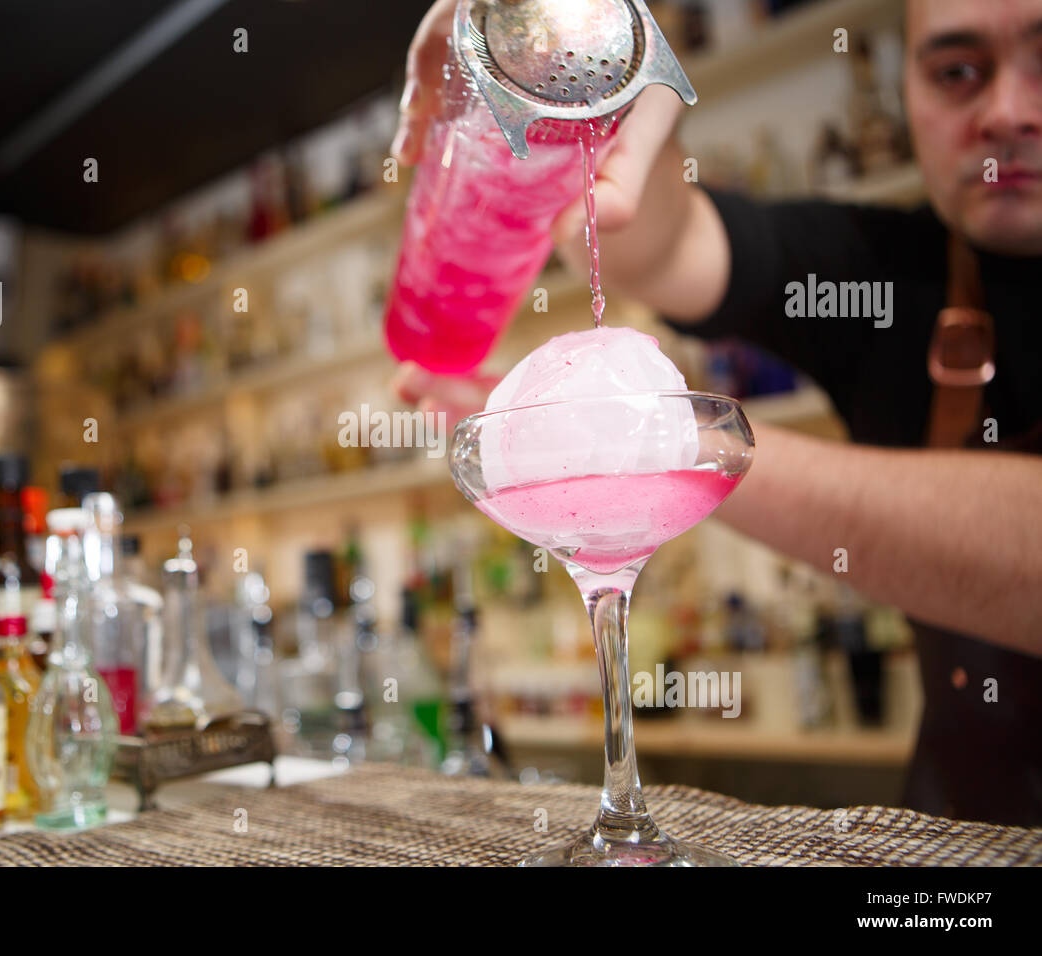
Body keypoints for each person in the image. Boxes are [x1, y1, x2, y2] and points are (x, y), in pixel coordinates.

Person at [390, 0, 1042, 826]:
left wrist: (632, 443)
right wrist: (577, 67)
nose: (1009, 112)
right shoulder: (886, 268)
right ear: (908, 80)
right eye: (957, 72)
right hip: (956, 853)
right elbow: (659, 244)